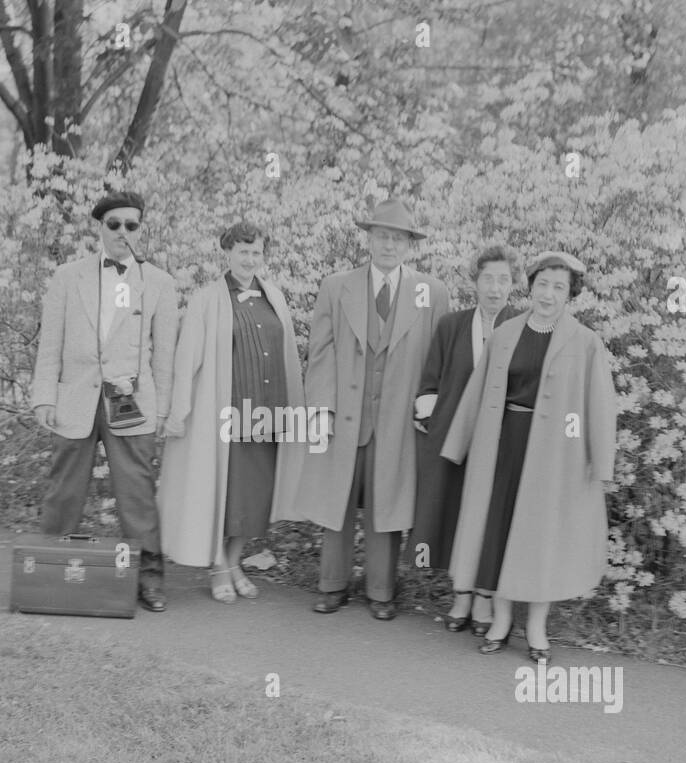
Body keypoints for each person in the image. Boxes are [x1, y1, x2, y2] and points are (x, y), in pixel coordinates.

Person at [441, 251, 617, 662]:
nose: (548, 294)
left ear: (570, 294)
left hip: (555, 457)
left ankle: (537, 630)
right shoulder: (506, 333)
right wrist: (458, 444)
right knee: (498, 534)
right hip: (503, 447)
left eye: (559, 287)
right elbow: (477, 391)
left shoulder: (586, 342)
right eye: (542, 284)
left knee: (542, 540)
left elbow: (599, 406)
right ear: (531, 286)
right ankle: (500, 622)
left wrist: (600, 462)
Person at [295, 199, 451, 620]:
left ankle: (382, 592)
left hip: (399, 419)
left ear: (409, 246)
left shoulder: (431, 292)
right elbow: (321, 351)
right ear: (369, 238)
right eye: (382, 236)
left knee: (388, 504)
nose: (389, 245)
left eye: (398, 238)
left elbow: (439, 359)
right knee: (338, 500)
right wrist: (322, 408)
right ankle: (333, 585)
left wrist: (428, 408)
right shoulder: (337, 285)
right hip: (346, 414)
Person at [31, 190, 179, 612]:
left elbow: (165, 354)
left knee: (137, 493)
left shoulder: (160, 283)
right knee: (63, 489)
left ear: (140, 229)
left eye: (131, 225)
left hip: (133, 403)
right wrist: (44, 395)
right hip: (75, 397)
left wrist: (163, 409)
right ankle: (47, 568)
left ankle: (148, 577)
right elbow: (50, 343)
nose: (122, 232)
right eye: (113, 224)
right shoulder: (67, 276)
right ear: (100, 228)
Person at [158, 222, 307, 601]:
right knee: (226, 495)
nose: (249, 259)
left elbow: (288, 354)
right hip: (226, 414)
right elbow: (186, 358)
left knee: (255, 498)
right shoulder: (207, 299)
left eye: (256, 252)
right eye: (242, 252)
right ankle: (220, 567)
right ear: (227, 253)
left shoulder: (273, 296)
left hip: (267, 414)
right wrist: (179, 411)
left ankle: (234, 559)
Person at [411, 244, 524, 634]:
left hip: (499, 441)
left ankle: (483, 598)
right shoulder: (451, 326)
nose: (495, 288)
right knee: (455, 513)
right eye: (488, 279)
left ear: (514, 284)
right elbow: (430, 381)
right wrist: (429, 417)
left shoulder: (523, 328)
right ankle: (460, 594)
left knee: (489, 517)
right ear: (474, 282)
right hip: (452, 436)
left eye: (504, 280)